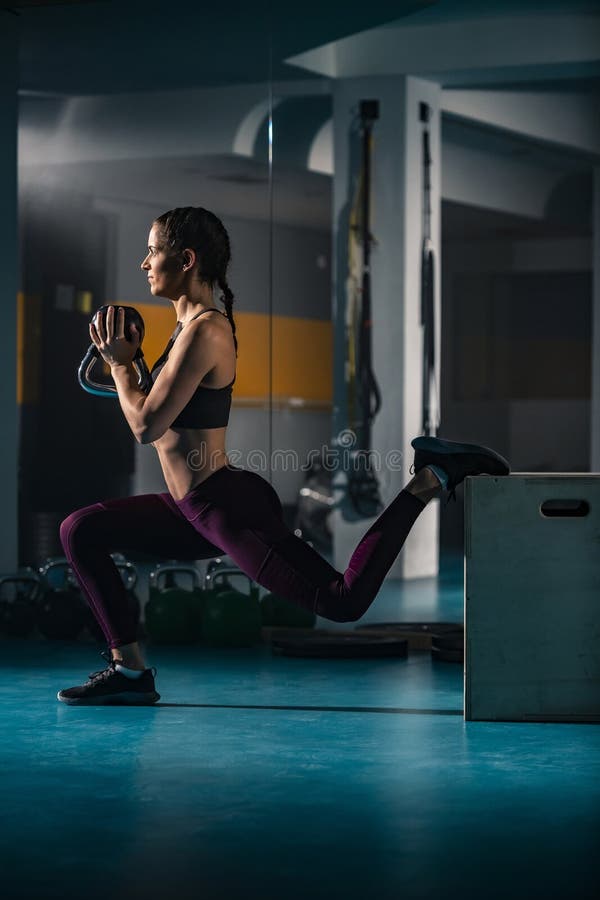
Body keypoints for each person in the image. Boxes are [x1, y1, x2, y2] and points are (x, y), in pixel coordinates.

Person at [57, 206, 509, 705]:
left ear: (185, 259)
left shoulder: (207, 331)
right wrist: (132, 362)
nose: (144, 263)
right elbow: (157, 410)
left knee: (343, 601)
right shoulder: (185, 331)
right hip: (194, 508)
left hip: (221, 506)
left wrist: (120, 367)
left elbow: (146, 425)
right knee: (81, 528)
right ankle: (131, 672)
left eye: (152, 251)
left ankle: (430, 478)